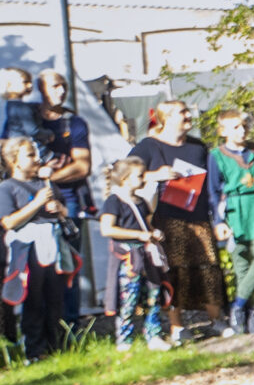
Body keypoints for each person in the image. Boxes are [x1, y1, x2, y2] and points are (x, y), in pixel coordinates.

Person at [132, 101, 225, 338]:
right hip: (168, 220)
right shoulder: (149, 146)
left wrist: (217, 218)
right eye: (182, 112)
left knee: (209, 269)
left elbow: (211, 183)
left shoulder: (197, 147)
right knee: (175, 272)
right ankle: (177, 327)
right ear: (167, 118)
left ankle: (217, 321)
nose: (188, 115)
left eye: (187, 111)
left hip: (199, 218)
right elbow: (122, 172)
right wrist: (154, 175)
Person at [0, 136, 70, 359]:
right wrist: (36, 204)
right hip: (27, 250)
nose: (37, 159)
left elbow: (65, 212)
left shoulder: (45, 184)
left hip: (52, 246)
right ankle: (34, 350)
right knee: (33, 299)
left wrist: (59, 208)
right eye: (30, 155)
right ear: (14, 161)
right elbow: (8, 222)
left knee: (54, 298)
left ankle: (56, 345)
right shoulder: (7, 188)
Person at [31, 70, 93, 319]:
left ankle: (70, 327)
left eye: (64, 86)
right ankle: (41, 331)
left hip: (67, 200)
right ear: (41, 88)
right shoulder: (25, 118)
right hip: (29, 202)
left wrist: (49, 176)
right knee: (36, 267)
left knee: (68, 264)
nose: (61, 91)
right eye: (55, 86)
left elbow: (82, 166)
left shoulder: (73, 123)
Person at [209, 109, 254, 335]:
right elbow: (213, 192)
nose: (242, 131)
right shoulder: (217, 156)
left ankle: (237, 305)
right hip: (234, 210)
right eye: (236, 127)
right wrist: (219, 221)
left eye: (244, 126)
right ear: (223, 131)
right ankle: (250, 312)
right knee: (242, 265)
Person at [98, 156, 170, 351]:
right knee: (128, 297)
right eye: (139, 175)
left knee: (153, 294)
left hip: (147, 257)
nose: (143, 178)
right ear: (125, 179)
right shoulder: (114, 202)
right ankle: (125, 339)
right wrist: (138, 235)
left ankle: (154, 334)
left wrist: (154, 232)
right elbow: (107, 229)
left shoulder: (141, 202)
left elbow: (147, 224)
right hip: (128, 259)